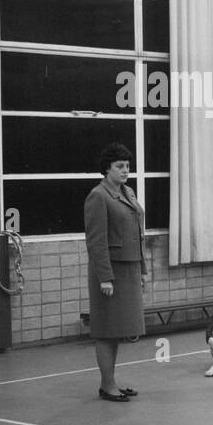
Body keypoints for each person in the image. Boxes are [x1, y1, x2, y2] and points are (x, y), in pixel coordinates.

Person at [84, 142, 148, 402]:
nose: (125, 171)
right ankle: (107, 386)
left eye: (128, 166)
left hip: (129, 268)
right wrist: (105, 277)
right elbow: (96, 241)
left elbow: (137, 234)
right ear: (106, 169)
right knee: (106, 329)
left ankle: (110, 382)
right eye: (119, 166)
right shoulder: (98, 196)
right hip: (111, 271)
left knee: (119, 329)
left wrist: (142, 268)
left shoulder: (127, 191)